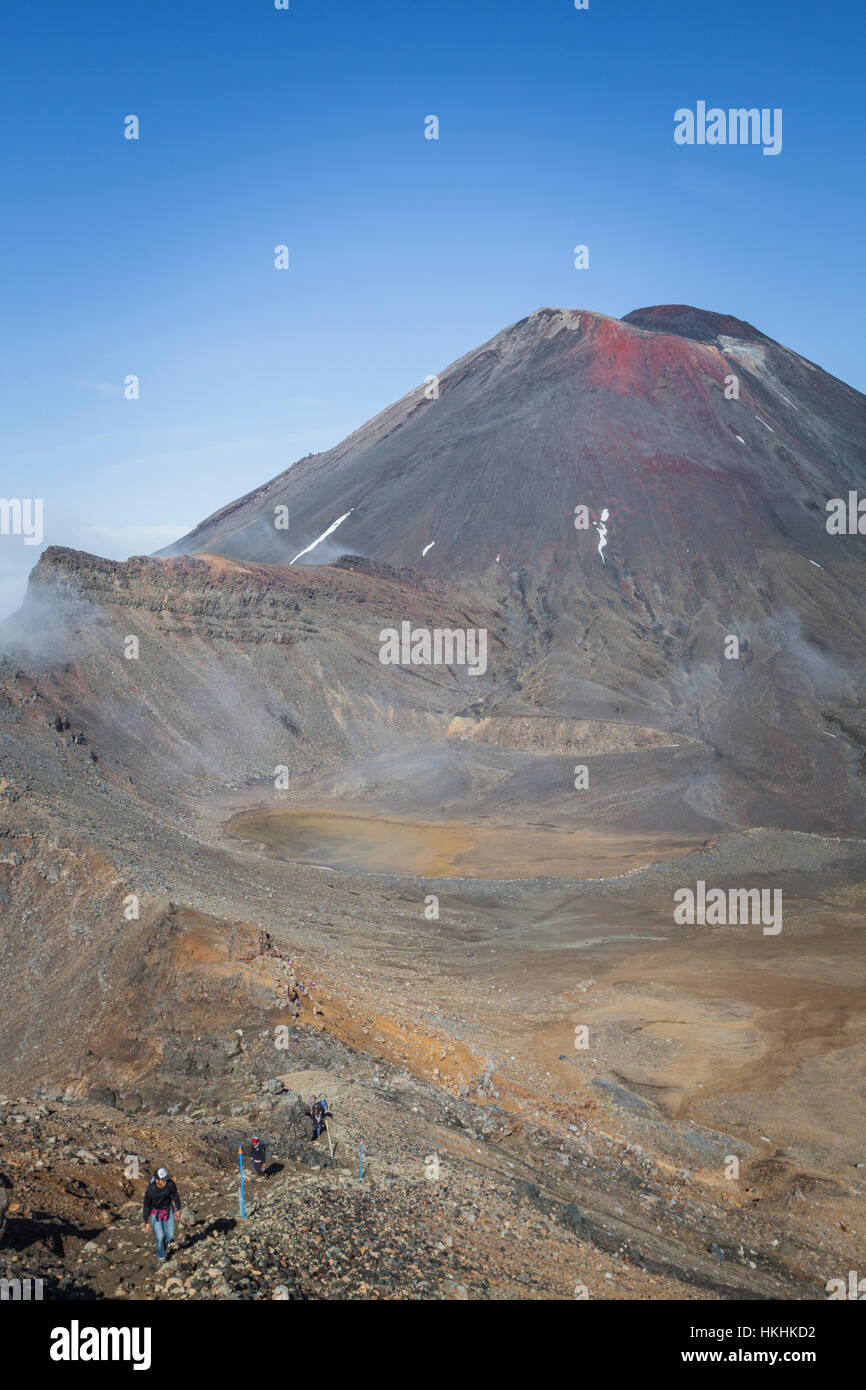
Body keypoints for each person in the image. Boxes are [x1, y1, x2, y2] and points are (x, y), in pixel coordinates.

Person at [141, 1167, 182, 1263]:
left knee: (170, 1235)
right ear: (156, 1180)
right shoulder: (151, 1189)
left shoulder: (170, 1184)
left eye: (166, 1179)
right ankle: (161, 1256)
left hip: (168, 1210)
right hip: (155, 1213)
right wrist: (146, 1221)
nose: (165, 1182)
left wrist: (178, 1209)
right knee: (159, 1237)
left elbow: (175, 1196)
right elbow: (146, 1205)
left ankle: (161, 1247)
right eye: (162, 1180)